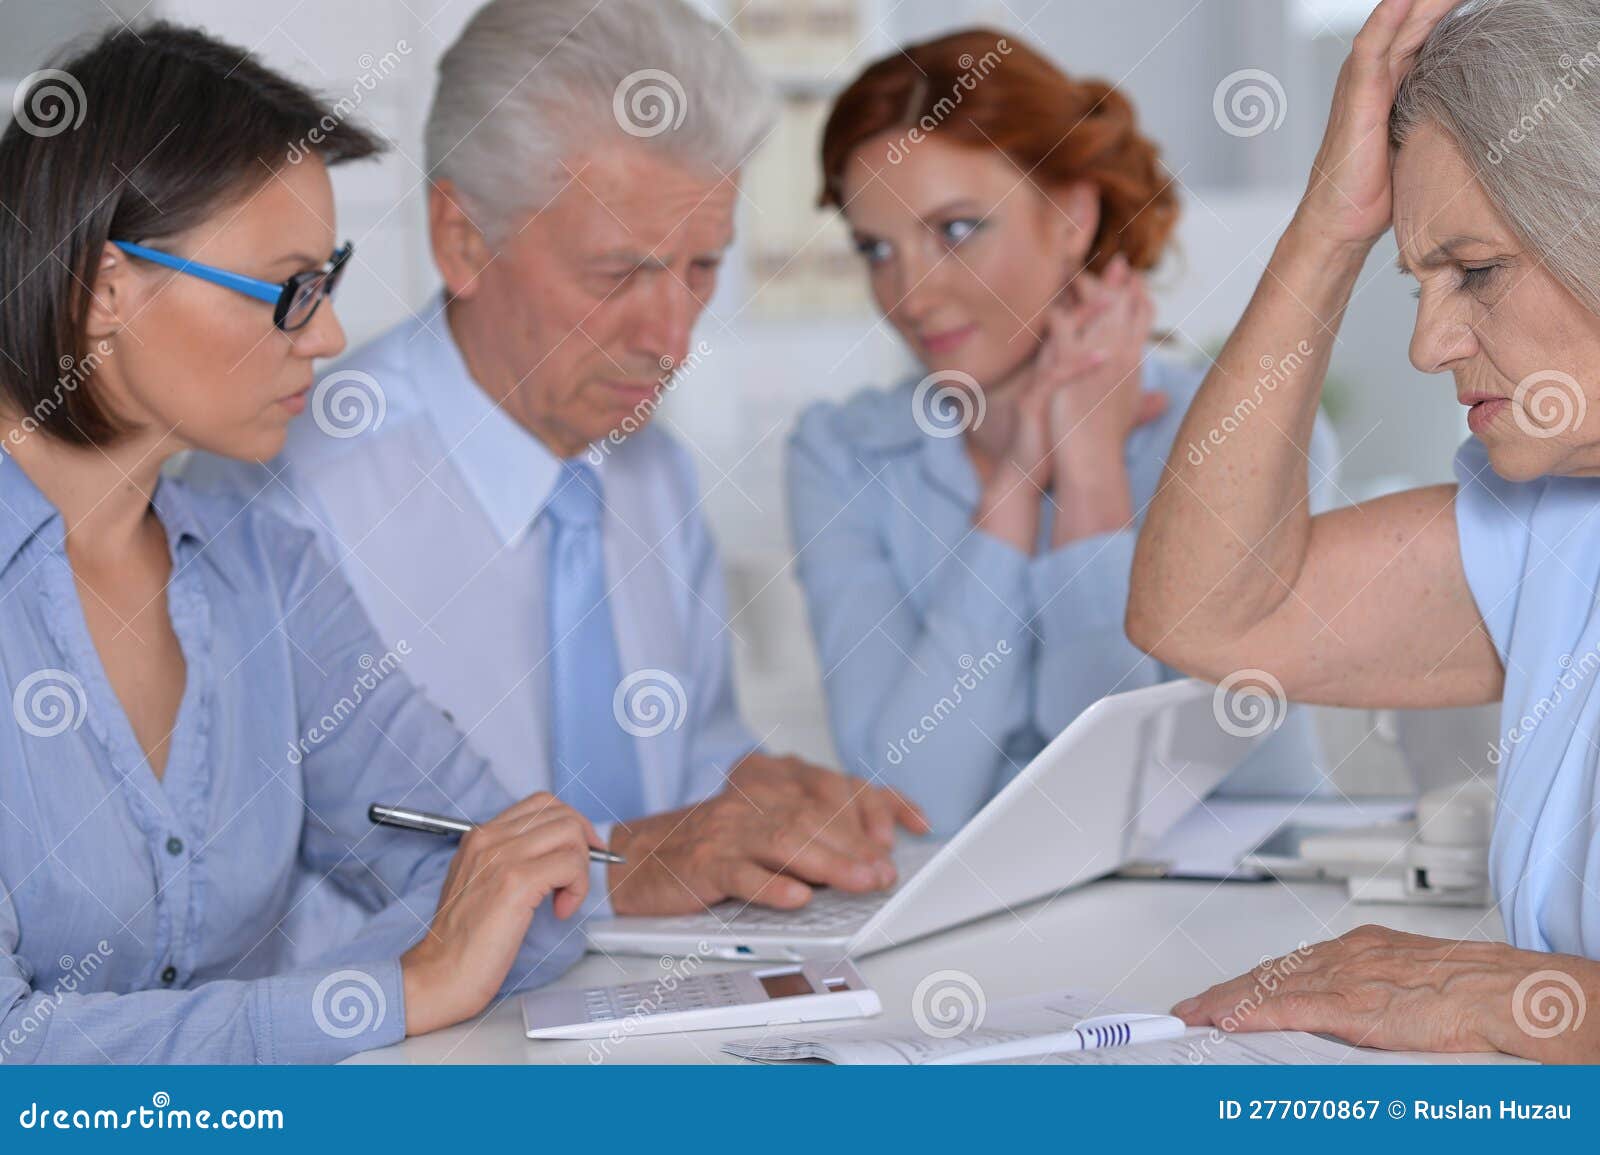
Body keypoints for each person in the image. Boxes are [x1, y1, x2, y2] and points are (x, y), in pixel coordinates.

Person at [189, 0, 926, 923]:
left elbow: (691, 752)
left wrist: (763, 795)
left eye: (701, 269)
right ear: (462, 240)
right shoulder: (283, 496)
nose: (671, 340)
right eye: (619, 273)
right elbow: (251, 911)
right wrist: (617, 868)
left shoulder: (652, 469)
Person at [0, 22, 615, 1064]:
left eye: (327, 281)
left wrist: (399, 983)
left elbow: (503, 870)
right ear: (107, 290)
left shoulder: (262, 568)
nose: (327, 334)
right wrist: (395, 992)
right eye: (290, 287)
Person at [1129, 0, 1600, 1063]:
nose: (1430, 344)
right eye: (1416, 281)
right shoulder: (1552, 524)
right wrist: (1325, 234)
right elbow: (1210, 615)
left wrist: (1541, 1000)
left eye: (1475, 271)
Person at [788, 29, 1342, 836]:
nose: (910, 295)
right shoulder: (842, 455)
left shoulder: (1247, 435)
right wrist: (1014, 492)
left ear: (1072, 217)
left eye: (956, 230)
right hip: (969, 946)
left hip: (1243, 925)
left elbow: (1132, 806)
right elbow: (910, 803)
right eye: (876, 247)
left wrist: (1090, 481)